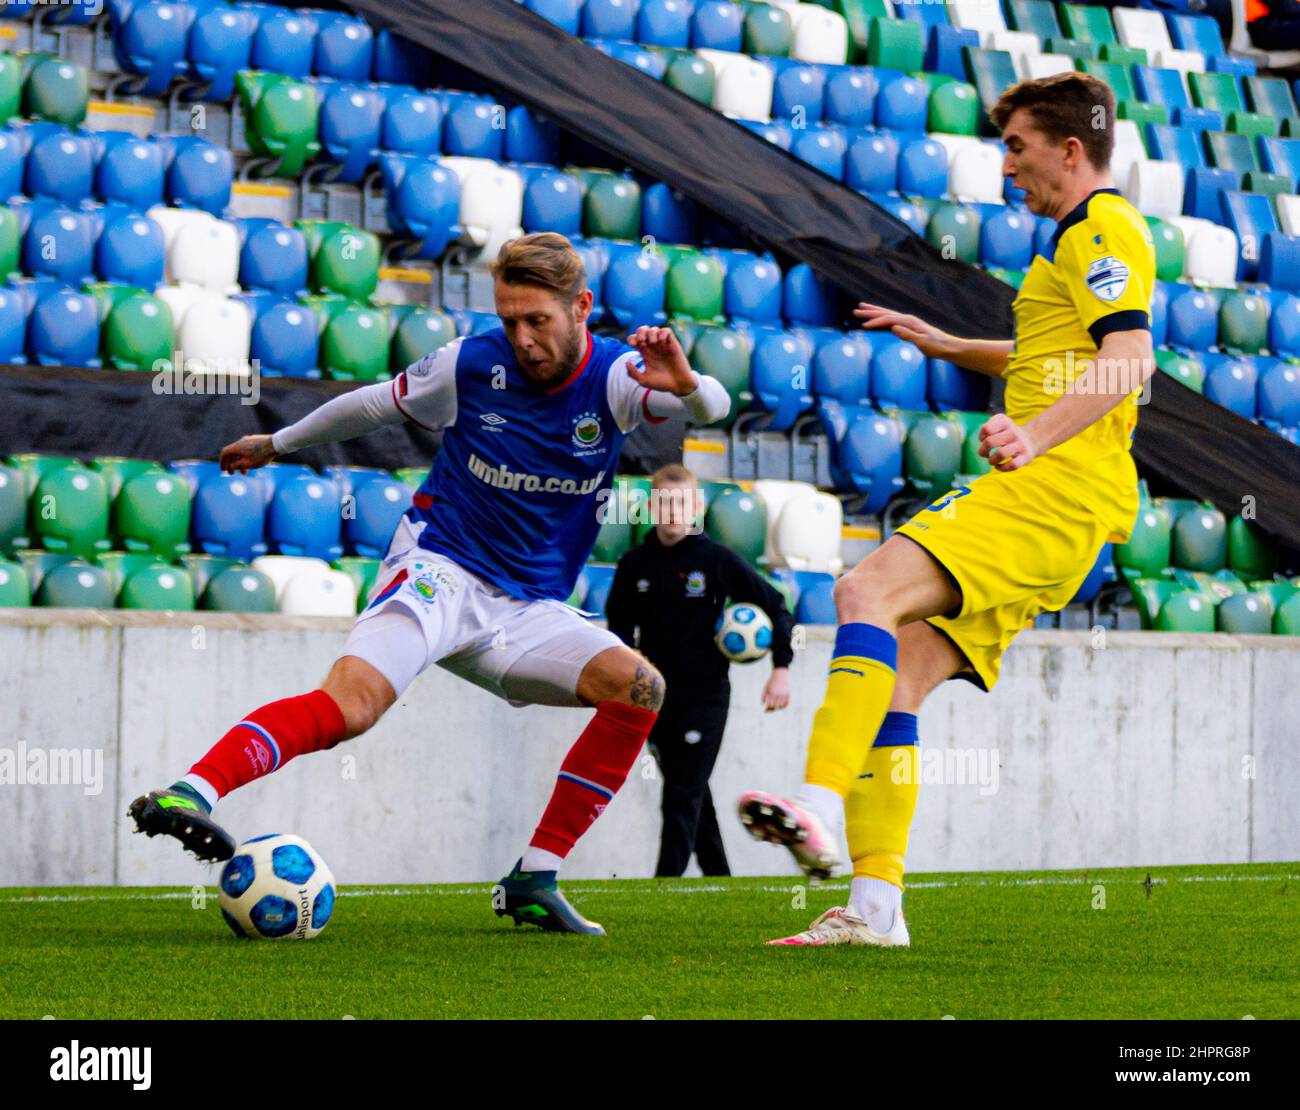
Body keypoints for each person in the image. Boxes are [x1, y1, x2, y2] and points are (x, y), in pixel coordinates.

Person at [128, 232, 731, 937]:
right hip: (438, 570)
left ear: (581, 309)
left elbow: (710, 407)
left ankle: (535, 876)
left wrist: (685, 382)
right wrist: (277, 442)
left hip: (527, 609)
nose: (523, 338)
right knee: (351, 708)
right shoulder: (472, 364)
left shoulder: (620, 378)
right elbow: (372, 406)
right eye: (510, 319)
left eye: (537, 320)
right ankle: (189, 792)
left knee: (641, 691)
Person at [739, 72, 1155, 948]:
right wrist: (952, 345)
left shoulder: (1104, 229)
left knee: (863, 594)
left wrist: (1036, 436)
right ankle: (877, 910)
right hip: (1066, 504)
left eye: (1018, 147)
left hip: (1054, 492)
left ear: (1070, 151)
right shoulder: (1079, 241)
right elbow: (1060, 348)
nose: (1007, 170)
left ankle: (812, 802)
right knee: (899, 676)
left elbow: (1129, 360)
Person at [604, 464, 794, 878]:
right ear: (653, 507)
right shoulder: (633, 564)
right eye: (666, 504)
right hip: (655, 698)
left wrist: (781, 667)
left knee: (680, 792)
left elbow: (777, 605)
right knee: (691, 792)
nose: (674, 513)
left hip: (705, 697)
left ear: (696, 507)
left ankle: (664, 881)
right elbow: (617, 628)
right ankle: (719, 880)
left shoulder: (716, 560)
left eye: (683, 504)